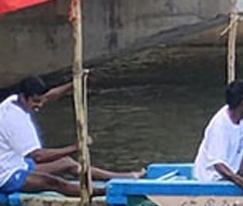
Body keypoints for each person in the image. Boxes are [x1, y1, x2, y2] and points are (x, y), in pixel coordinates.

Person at [0, 78, 140, 198]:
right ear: (25, 97)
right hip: (6, 176)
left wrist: (74, 84)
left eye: (41, 101)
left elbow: (49, 96)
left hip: (18, 164)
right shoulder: (13, 119)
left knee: (67, 163)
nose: (40, 105)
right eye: (36, 102)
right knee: (54, 183)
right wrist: (76, 147)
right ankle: (106, 193)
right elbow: (38, 156)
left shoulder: (15, 99)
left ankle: (125, 176)